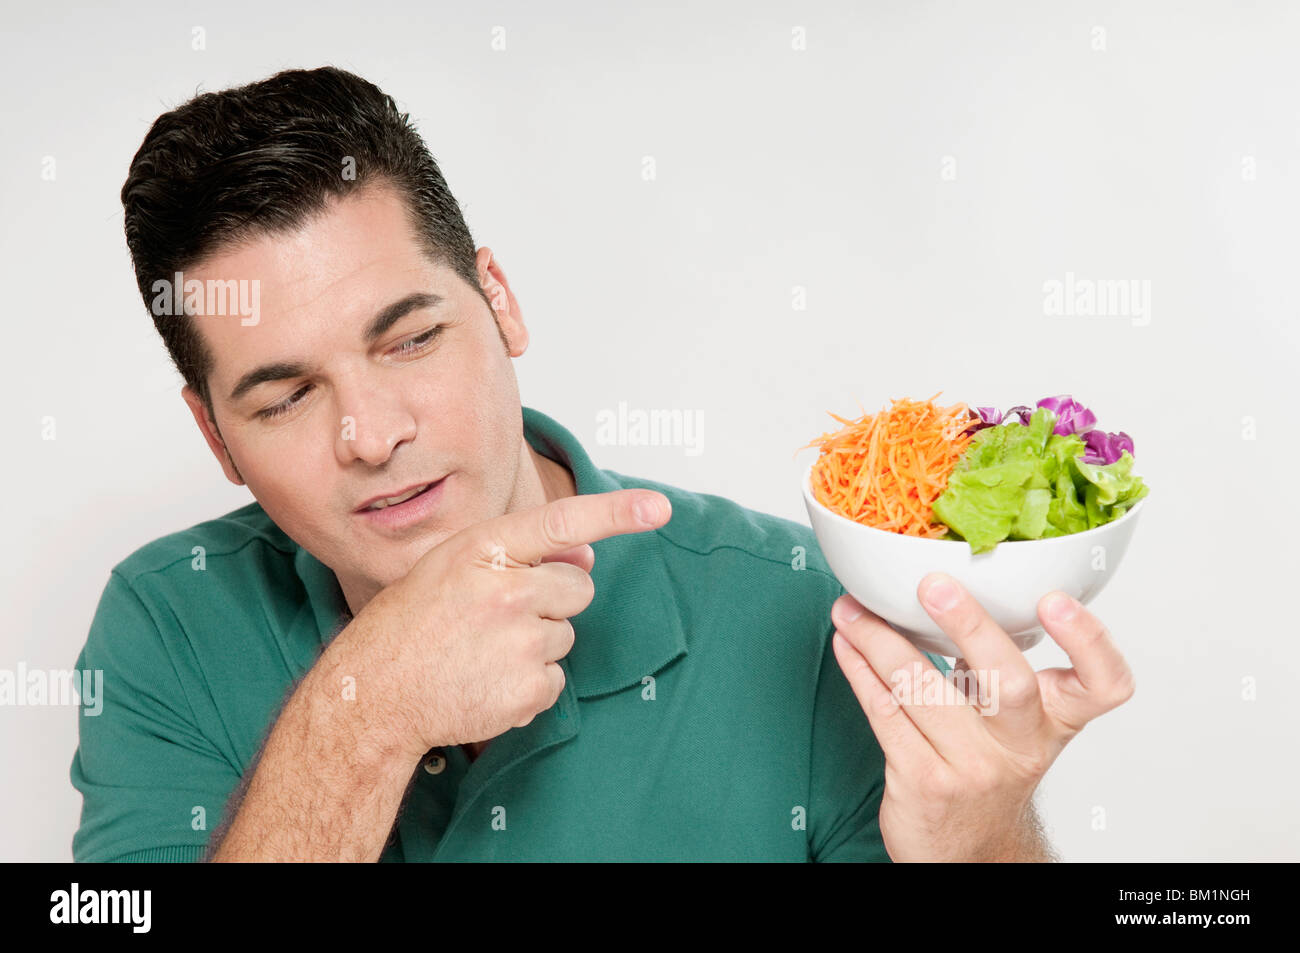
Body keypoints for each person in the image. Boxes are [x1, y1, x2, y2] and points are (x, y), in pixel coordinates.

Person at [71, 66, 1132, 862]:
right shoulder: (167, 619)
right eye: (287, 395)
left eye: (408, 338)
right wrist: (368, 708)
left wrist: (987, 834)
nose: (372, 432)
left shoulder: (800, 615)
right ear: (216, 438)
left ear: (500, 302)